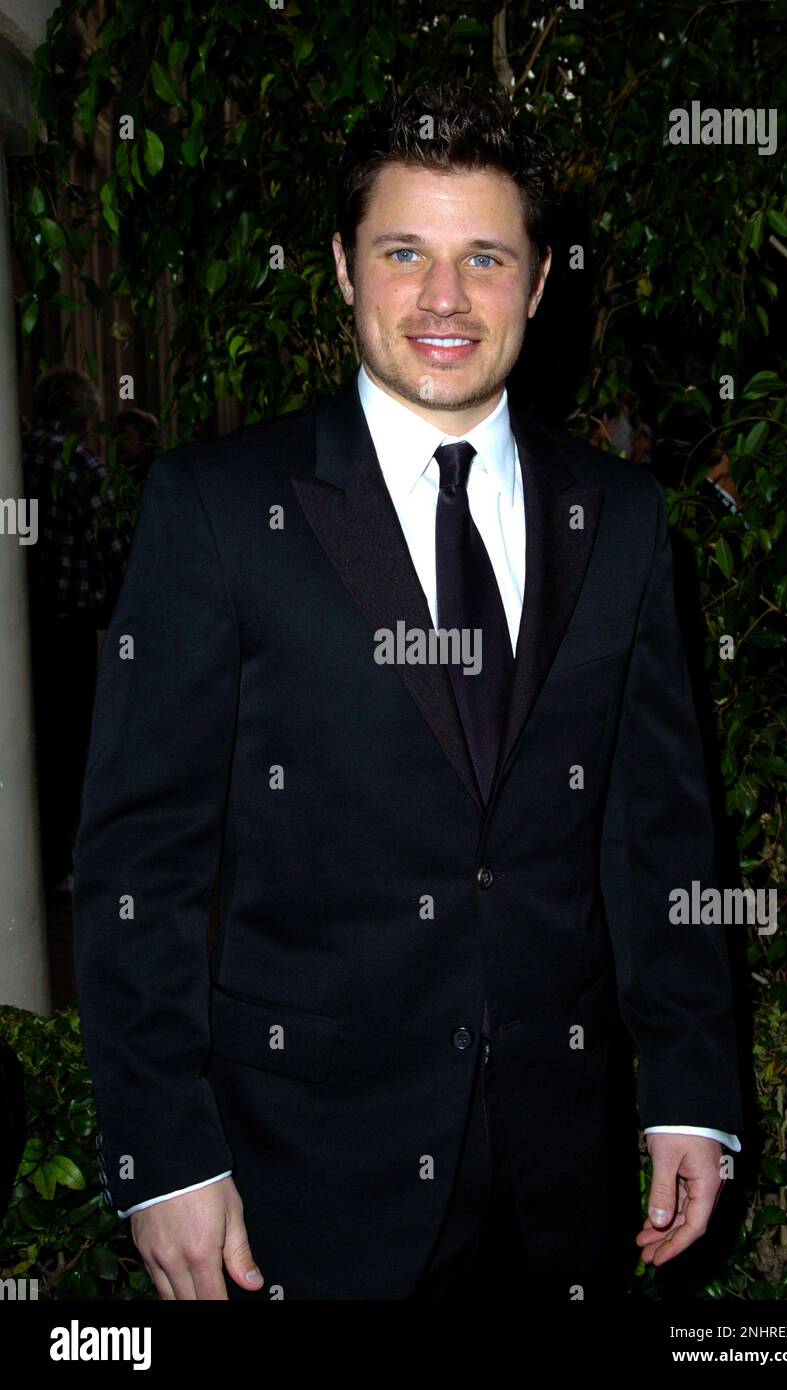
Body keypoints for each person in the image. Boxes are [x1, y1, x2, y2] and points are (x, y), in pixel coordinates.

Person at [71, 80, 744, 1302]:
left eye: (484, 257)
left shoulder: (623, 519)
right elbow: (138, 863)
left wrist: (691, 1091)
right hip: (299, 1185)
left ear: (537, 283)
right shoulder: (218, 509)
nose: (443, 299)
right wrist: (162, 1155)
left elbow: (659, 840)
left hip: (561, 1185)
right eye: (403, 253)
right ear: (341, 267)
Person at [22, 366, 134, 894]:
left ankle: (28, 859)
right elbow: (112, 542)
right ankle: (59, 867)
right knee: (69, 747)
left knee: (30, 744)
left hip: (20, 626)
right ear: (83, 416)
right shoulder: (81, 463)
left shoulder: (14, 452)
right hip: (66, 630)